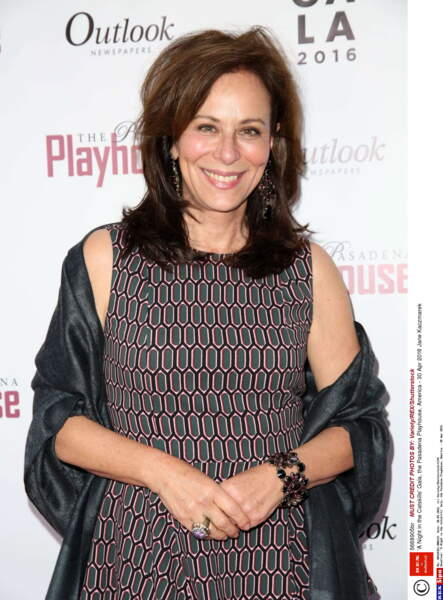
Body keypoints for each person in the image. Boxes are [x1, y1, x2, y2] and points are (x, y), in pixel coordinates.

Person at [24, 27, 389, 600]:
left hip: (277, 561)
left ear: (273, 144)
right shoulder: (105, 258)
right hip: (134, 556)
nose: (227, 153)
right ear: (171, 140)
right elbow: (58, 422)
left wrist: (280, 477)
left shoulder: (308, 269)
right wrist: (164, 474)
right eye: (206, 127)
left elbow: (361, 427)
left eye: (250, 130)